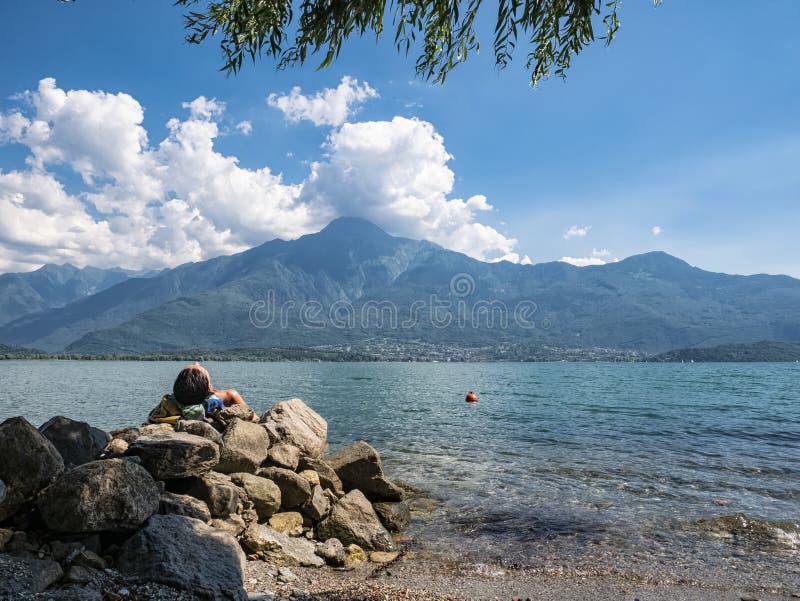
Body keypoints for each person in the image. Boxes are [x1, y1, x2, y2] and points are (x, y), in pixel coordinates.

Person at [149, 362, 258, 424]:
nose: (196, 362)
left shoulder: (168, 403)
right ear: (209, 388)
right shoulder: (226, 397)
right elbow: (255, 419)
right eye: (200, 367)